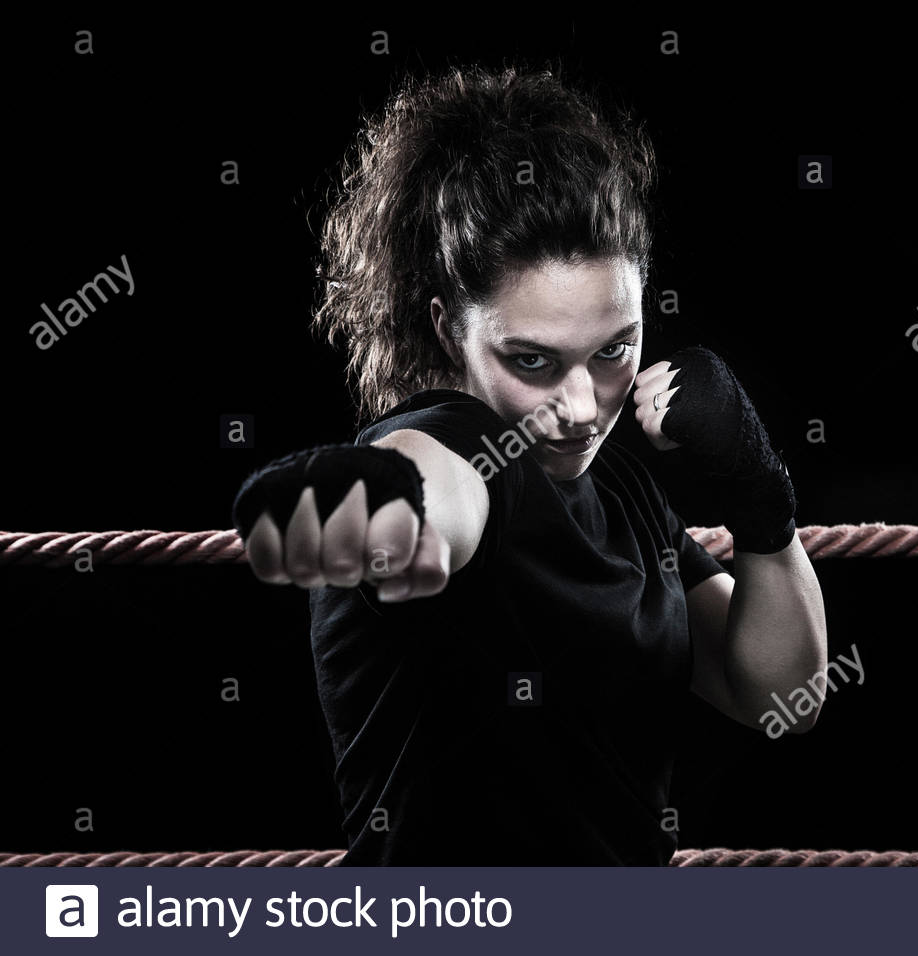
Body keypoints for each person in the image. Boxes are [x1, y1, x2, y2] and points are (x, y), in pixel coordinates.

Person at [231, 62, 828, 865]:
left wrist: (763, 502)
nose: (583, 406)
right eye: (534, 361)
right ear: (449, 332)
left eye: (614, 349)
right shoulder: (458, 439)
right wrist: (385, 506)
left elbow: (782, 698)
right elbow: (440, 485)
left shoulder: (623, 488)